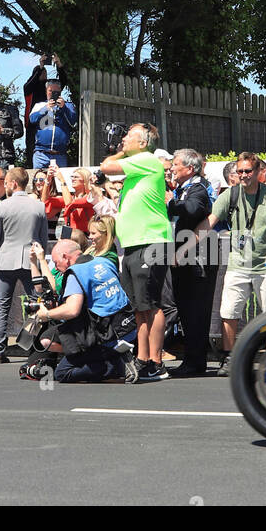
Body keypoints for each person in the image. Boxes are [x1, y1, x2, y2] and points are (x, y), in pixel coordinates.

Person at [201, 152, 266, 376]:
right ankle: (229, 358)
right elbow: (209, 222)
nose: (243, 175)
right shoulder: (230, 195)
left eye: (248, 171)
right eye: (240, 171)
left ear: (259, 172)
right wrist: (182, 247)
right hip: (238, 264)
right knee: (228, 312)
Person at [99, 123, 172, 381]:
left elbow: (106, 166)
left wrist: (118, 152)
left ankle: (156, 362)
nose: (124, 140)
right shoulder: (139, 165)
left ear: (142, 143)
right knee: (140, 307)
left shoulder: (146, 159)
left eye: (129, 137)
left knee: (151, 305)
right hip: (134, 243)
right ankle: (143, 359)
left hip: (150, 240)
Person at [33, 240, 136, 383]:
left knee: (62, 373)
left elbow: (72, 310)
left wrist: (46, 315)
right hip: (128, 326)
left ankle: (117, 365)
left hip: (106, 335)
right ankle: (107, 357)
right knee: (48, 339)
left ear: (65, 257)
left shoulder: (76, 272)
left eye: (56, 263)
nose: (56, 267)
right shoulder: (103, 261)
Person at [0, 167, 47, 363]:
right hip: (31, 260)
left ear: (13, 183)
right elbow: (43, 239)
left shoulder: (2, 207)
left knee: (2, 305)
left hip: (6, 260)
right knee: (35, 305)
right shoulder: (38, 206)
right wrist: (42, 263)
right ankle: (34, 346)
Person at [167, 148, 218, 377]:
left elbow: (192, 208)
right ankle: (192, 359)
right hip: (184, 260)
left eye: (176, 164)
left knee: (195, 310)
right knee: (186, 309)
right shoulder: (183, 188)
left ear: (189, 168)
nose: (172, 167)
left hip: (198, 261)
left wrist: (171, 203)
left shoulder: (198, 188)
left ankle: (195, 363)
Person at [22, 54, 64, 166]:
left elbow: (62, 81)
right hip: (33, 125)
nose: (44, 73)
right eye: (41, 72)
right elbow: (30, 83)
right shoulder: (29, 89)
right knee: (32, 151)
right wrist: (40, 67)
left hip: (50, 122)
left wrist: (59, 65)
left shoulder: (49, 88)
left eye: (44, 72)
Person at [28, 77, 77, 169]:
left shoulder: (68, 105)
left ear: (60, 92)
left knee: (60, 182)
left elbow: (73, 122)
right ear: (46, 91)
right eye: (50, 91)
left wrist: (63, 108)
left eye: (56, 92)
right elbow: (32, 120)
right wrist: (46, 109)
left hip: (60, 154)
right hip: (41, 153)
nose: (52, 94)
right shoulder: (39, 105)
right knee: (39, 180)